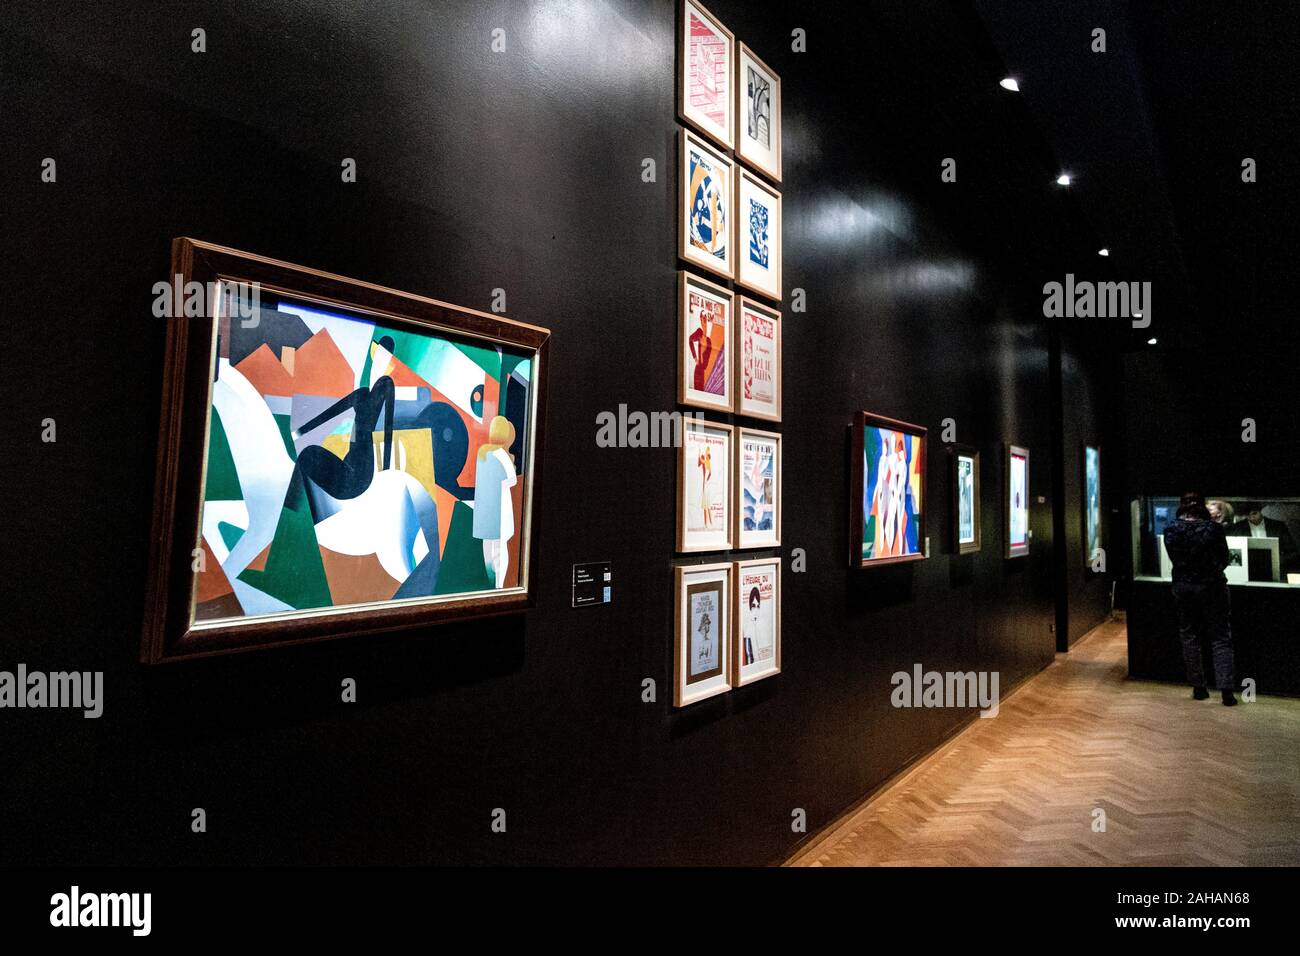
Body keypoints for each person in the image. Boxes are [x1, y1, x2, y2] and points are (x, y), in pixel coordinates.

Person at [1162, 493, 1236, 705]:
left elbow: (1174, 559)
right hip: (1212, 586)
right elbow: (1224, 559)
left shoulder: (1170, 528)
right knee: (1221, 636)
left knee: (1189, 634)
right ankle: (1226, 692)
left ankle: (1199, 688)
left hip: (1183, 586)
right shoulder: (1213, 529)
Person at [472, 416, 518, 589]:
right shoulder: (502, 455)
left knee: (488, 551)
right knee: (500, 552)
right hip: (499, 511)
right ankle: (498, 586)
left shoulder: (483, 453)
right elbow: (512, 482)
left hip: (484, 512)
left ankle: (491, 582)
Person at [1229, 501, 1298, 574]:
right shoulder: (1237, 528)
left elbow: (1292, 552)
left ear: (1260, 511)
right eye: (1248, 515)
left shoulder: (1278, 526)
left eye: (1254, 513)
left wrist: (1277, 561)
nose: (1252, 517)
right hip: (1247, 571)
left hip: (1276, 569)